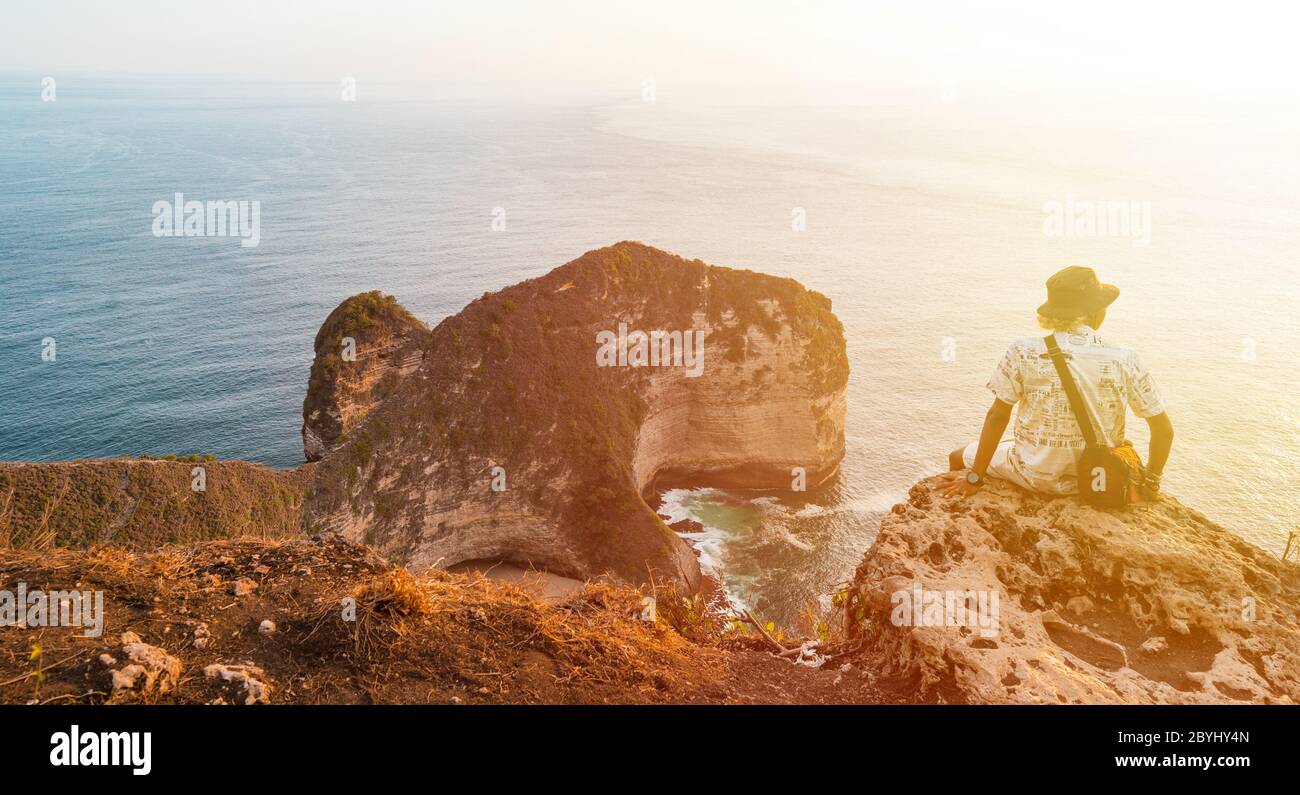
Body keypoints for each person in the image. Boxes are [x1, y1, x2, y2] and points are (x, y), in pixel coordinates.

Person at [942, 266, 1173, 499]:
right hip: (1097, 478)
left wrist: (974, 477)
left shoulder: (1023, 351)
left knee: (957, 456)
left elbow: (998, 416)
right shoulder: (1125, 358)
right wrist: (1151, 483)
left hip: (1033, 474)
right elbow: (1164, 431)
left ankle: (955, 502)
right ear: (1094, 312)